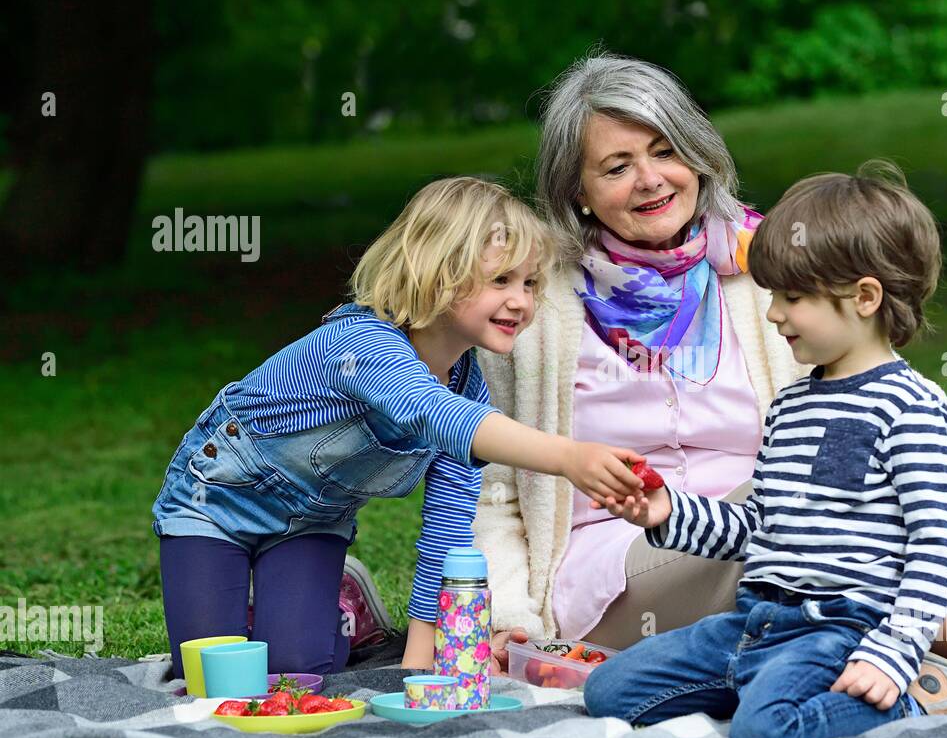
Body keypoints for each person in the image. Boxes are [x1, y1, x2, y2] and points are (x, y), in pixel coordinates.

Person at [475, 52, 947, 726]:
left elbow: (868, 370)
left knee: (907, 483)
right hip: (629, 566)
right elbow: (497, 484)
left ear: (699, 156)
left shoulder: (764, 266)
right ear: (575, 192)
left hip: (790, 513)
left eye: (666, 151)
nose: (650, 179)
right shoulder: (537, 305)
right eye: (616, 166)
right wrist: (505, 613)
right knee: (812, 521)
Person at [582, 162, 947, 738]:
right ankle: (770, 687)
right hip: (754, 623)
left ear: (864, 297)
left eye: (793, 297)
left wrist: (895, 650)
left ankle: (932, 702)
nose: (774, 313)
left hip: (842, 630)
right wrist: (667, 513)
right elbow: (761, 529)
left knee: (766, 735)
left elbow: (934, 552)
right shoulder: (791, 406)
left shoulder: (912, 410)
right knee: (609, 693)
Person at [150, 177, 647, 679]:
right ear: (437, 273)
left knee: (297, 672)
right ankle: (258, 611)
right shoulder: (364, 345)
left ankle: (343, 613)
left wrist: (414, 668)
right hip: (216, 504)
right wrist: (568, 457)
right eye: (501, 281)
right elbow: (431, 410)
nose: (521, 301)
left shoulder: (468, 388)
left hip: (314, 523)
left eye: (529, 283)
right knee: (210, 675)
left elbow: (447, 532)